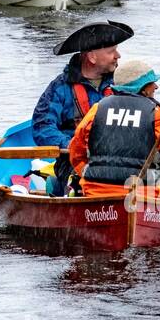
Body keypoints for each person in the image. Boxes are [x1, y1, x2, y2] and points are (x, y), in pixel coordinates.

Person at [33, 21, 133, 196]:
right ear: (92, 57)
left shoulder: (124, 85)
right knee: (81, 183)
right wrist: (72, 144)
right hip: (74, 162)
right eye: (111, 51)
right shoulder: (59, 88)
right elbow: (42, 127)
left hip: (120, 160)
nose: (118, 56)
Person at [68, 58, 160, 197]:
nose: (156, 86)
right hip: (144, 195)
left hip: (95, 192)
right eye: (151, 83)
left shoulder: (96, 110)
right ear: (142, 89)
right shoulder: (157, 117)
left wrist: (89, 175)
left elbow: (75, 153)